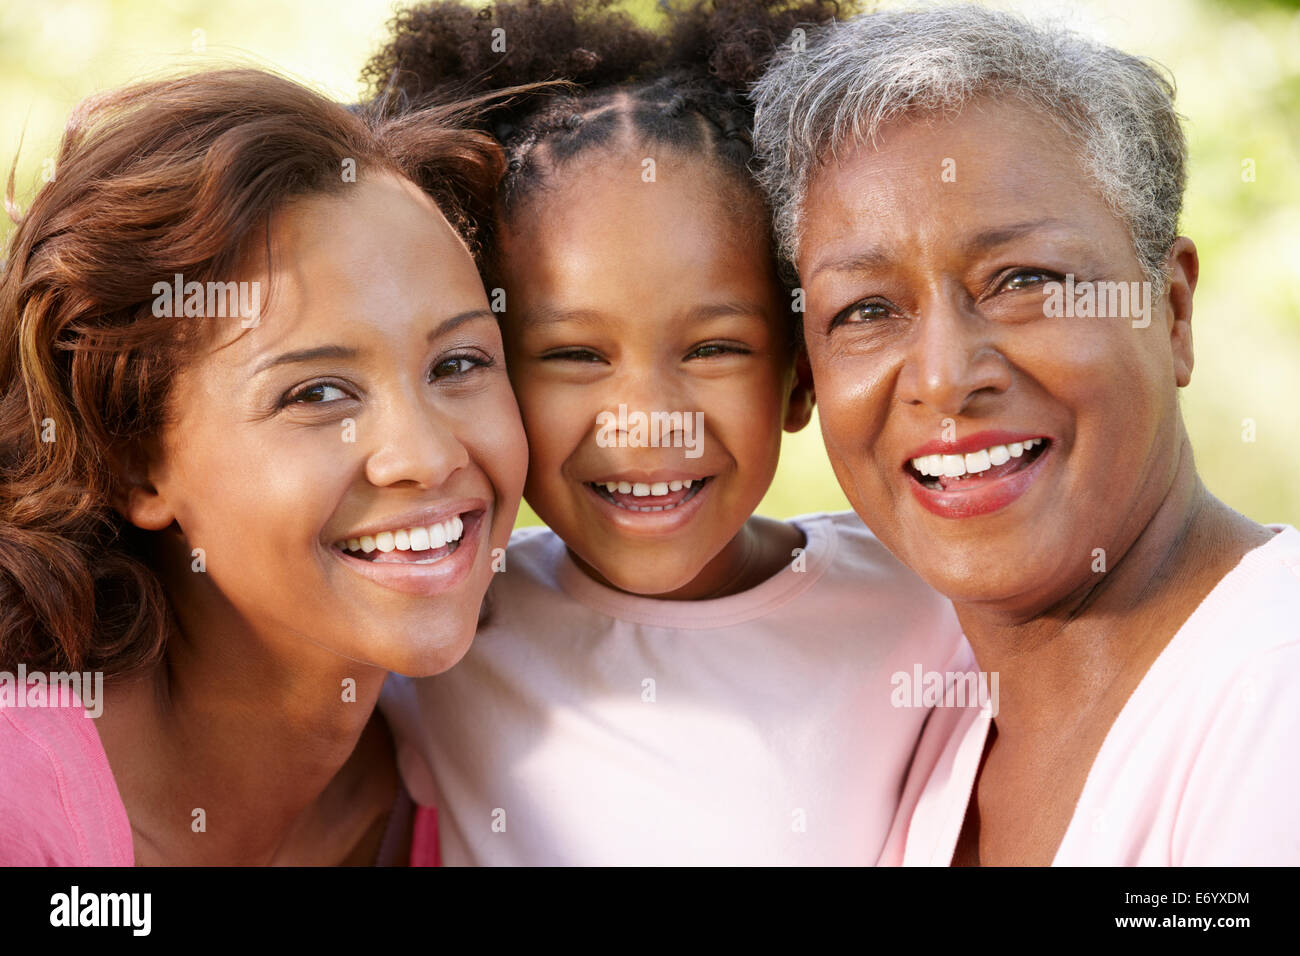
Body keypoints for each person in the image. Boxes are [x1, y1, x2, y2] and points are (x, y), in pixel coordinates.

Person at [369, 0, 966, 865]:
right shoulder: (449, 622)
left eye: (715, 347)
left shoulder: (926, 607)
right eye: (574, 353)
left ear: (799, 378)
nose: (647, 418)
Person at [752, 3, 1300, 865]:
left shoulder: (1275, 699)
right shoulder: (927, 722)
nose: (943, 376)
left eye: (1022, 280)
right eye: (865, 309)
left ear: (1173, 311)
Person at [0, 68, 528, 865]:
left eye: (458, 364)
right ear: (134, 466)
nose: (425, 456)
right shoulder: (23, 811)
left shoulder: (475, 775)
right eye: (317, 392)